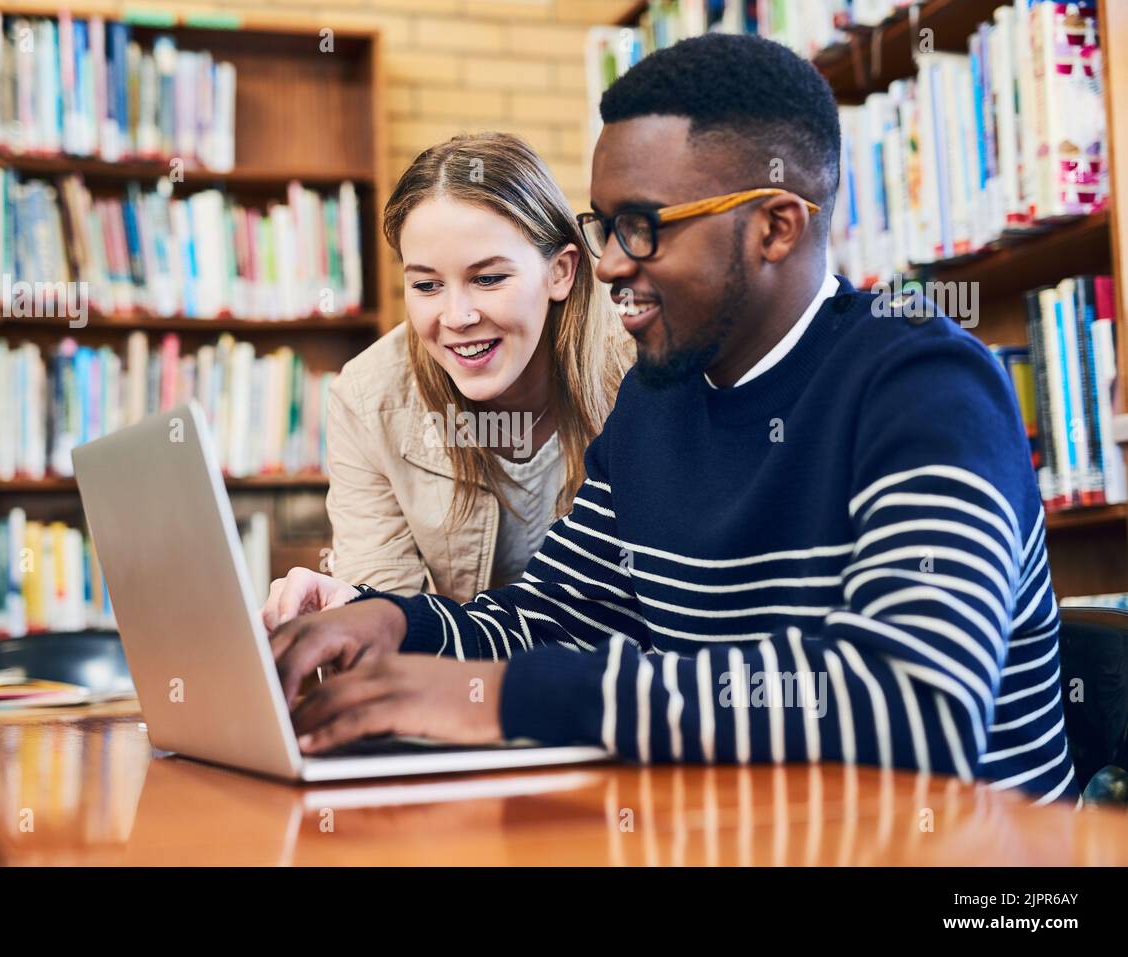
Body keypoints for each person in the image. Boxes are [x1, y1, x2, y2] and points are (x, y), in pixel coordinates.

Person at [268, 33, 1077, 804]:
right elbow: (550, 618)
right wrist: (389, 621)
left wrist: (504, 698)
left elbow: (915, 705)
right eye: (603, 224)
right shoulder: (658, 400)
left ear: (775, 226)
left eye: (642, 227)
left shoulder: (927, 384)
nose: (612, 264)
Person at [262, 133, 629, 628]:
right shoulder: (371, 397)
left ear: (560, 272)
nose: (455, 317)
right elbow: (388, 629)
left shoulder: (638, 369)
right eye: (427, 285)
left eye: (489, 278)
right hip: (467, 684)